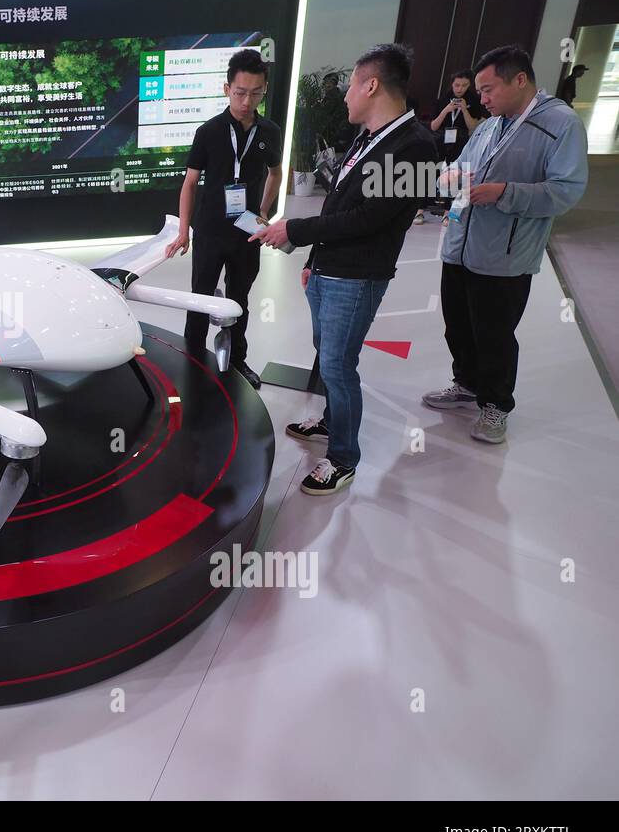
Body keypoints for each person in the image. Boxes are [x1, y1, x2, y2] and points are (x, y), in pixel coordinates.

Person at [250, 44, 436, 495]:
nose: (346, 95)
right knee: (327, 355)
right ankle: (332, 422)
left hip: (358, 277)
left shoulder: (414, 146)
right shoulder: (370, 135)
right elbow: (340, 202)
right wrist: (315, 260)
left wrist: (294, 228)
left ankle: (343, 458)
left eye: (352, 85)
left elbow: (370, 219)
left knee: (338, 365)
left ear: (371, 85)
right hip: (331, 270)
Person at [423, 44, 588, 443]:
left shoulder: (560, 124)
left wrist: (505, 192)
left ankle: (496, 405)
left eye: (488, 89)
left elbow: (566, 191)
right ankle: (466, 383)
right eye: (479, 91)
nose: (482, 99)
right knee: (457, 326)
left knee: (494, 334)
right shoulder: (492, 123)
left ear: (520, 80)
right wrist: (450, 179)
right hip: (461, 245)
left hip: (505, 256)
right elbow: (463, 163)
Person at [164, 49, 282, 390]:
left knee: (239, 299)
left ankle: (238, 361)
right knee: (199, 297)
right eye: (240, 92)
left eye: (256, 93)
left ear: (264, 90)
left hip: (246, 232)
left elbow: (275, 172)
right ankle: (193, 360)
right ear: (226, 88)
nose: (247, 101)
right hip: (211, 229)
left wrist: (263, 211)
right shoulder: (209, 131)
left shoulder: (269, 131)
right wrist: (184, 230)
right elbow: (189, 183)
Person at [429, 69, 488, 164]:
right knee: (434, 170)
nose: (460, 89)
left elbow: (472, 127)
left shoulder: (474, 101)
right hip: (441, 140)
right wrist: (445, 111)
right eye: (457, 85)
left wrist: (464, 110)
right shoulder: (443, 99)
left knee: (457, 173)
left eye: (464, 85)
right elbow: (433, 127)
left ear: (469, 85)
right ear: (452, 84)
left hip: (461, 141)